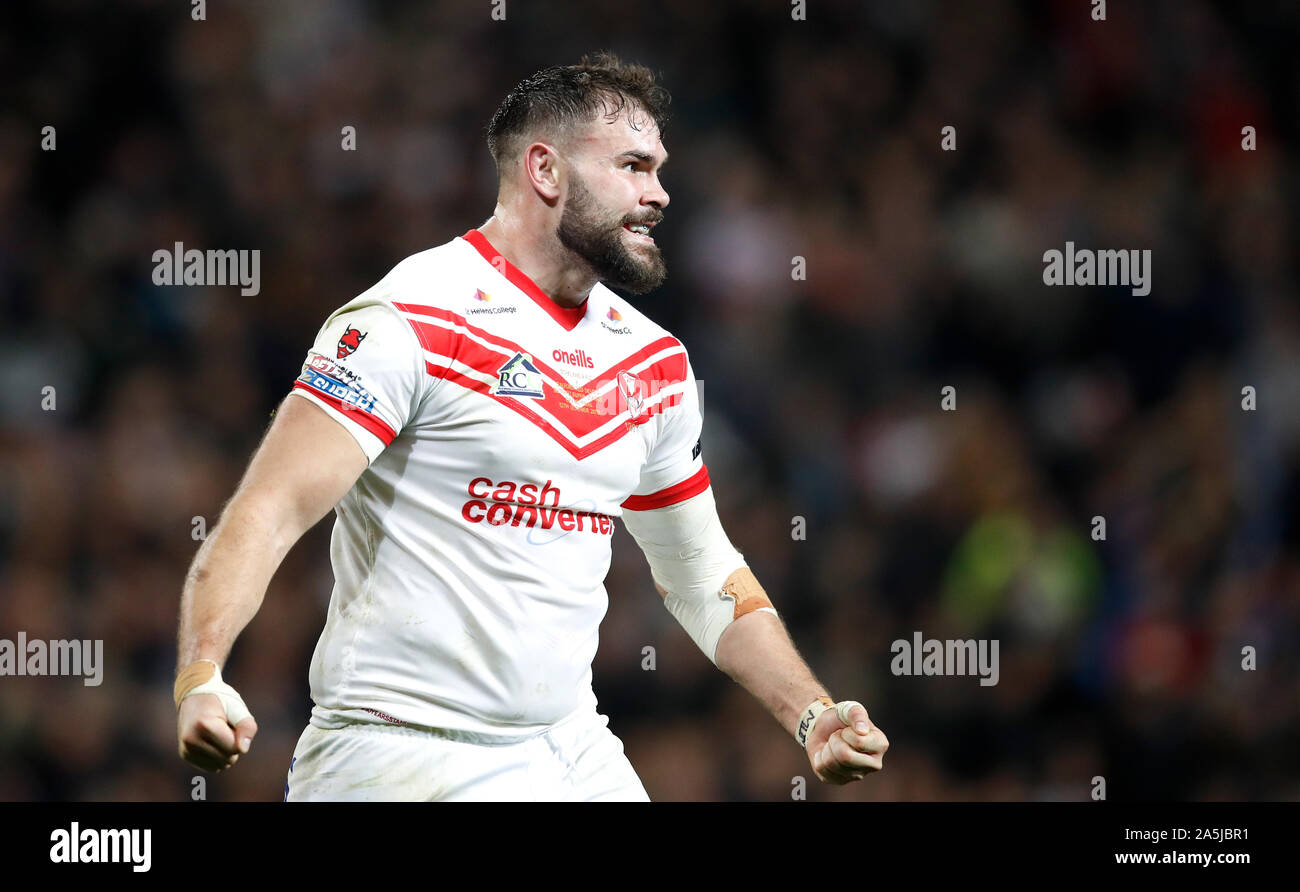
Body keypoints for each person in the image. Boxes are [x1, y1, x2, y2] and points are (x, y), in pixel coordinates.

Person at [174, 51, 888, 800]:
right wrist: (201, 674)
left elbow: (702, 572)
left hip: (568, 743)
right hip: (400, 751)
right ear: (545, 171)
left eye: (660, 169)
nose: (661, 194)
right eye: (634, 167)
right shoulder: (410, 320)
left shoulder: (653, 363)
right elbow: (270, 508)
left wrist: (810, 714)